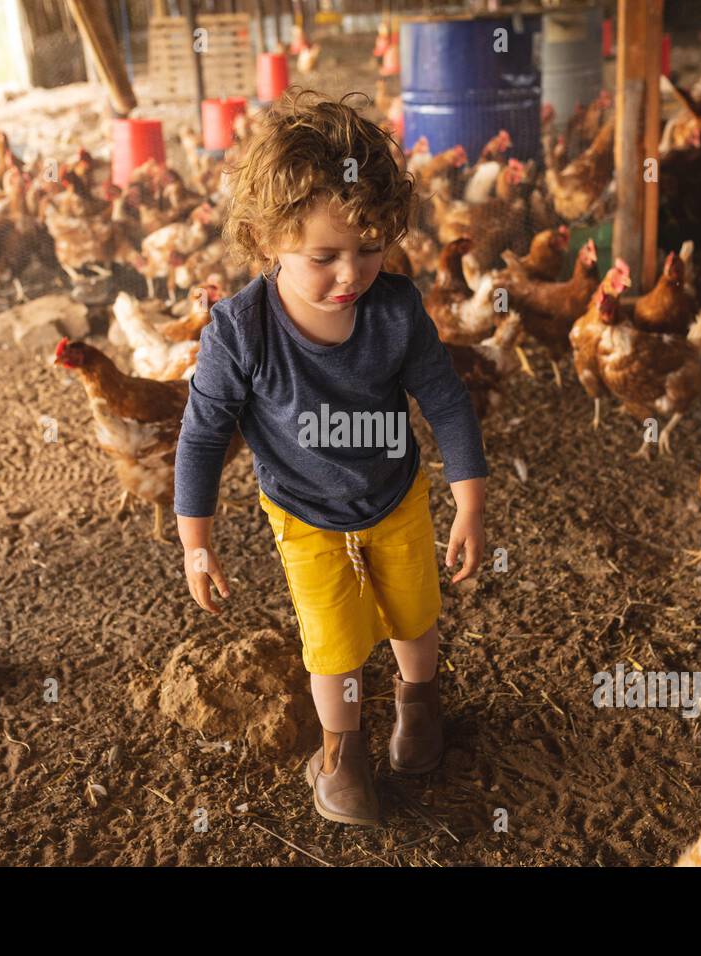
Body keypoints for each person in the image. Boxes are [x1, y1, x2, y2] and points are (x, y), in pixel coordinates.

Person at [174, 89, 487, 826]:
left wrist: (468, 499)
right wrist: (196, 543)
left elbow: (444, 398)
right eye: (325, 257)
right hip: (304, 514)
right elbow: (202, 434)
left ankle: (419, 710)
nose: (351, 274)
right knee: (333, 641)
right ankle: (343, 756)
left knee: (414, 613)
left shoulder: (395, 309)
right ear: (264, 241)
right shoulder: (239, 332)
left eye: (370, 248)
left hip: (396, 495)